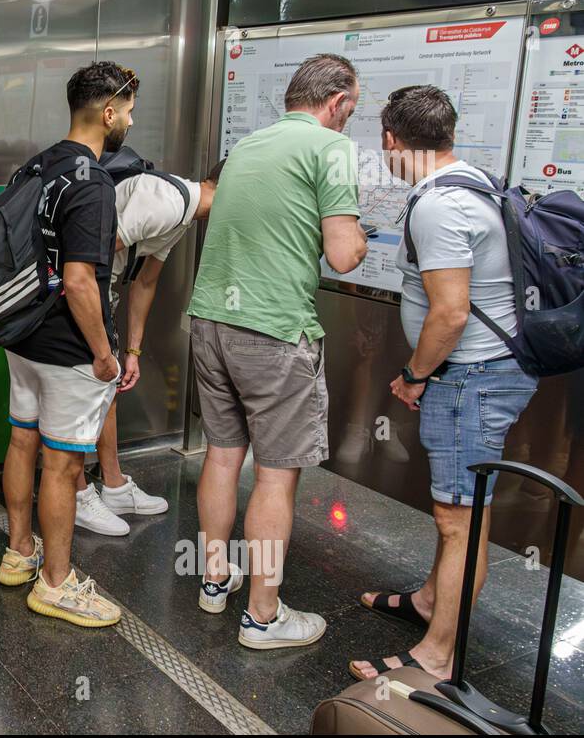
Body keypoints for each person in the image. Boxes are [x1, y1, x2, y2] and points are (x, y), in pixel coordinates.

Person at [351, 85, 538, 682]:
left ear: (391, 140)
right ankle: (432, 600)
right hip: (486, 372)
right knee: (457, 509)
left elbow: (450, 313)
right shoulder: (475, 181)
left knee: (460, 519)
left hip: (472, 379)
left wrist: (413, 375)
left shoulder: (437, 206)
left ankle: (437, 653)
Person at [186, 53, 366, 649]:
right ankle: (263, 616)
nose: (349, 123)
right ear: (336, 103)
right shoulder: (331, 149)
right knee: (275, 476)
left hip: (211, 321)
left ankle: (215, 581)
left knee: (221, 454)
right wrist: (363, 231)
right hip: (272, 331)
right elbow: (343, 256)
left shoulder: (246, 146)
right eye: (351, 111)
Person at [0, 61, 134, 628]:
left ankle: (18, 551)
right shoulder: (93, 181)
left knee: (22, 441)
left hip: (21, 335)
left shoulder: (38, 164)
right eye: (126, 111)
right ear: (107, 112)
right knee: (61, 465)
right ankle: (54, 583)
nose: (127, 120)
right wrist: (104, 353)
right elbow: (79, 280)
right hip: (67, 349)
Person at [74, 156, 225, 536]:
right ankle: (76, 494)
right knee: (81, 393)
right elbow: (91, 259)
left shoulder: (183, 211)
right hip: (83, 295)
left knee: (104, 389)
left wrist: (133, 352)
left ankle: (113, 485)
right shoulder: (168, 202)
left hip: (100, 293)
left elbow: (145, 281)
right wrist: (99, 338)